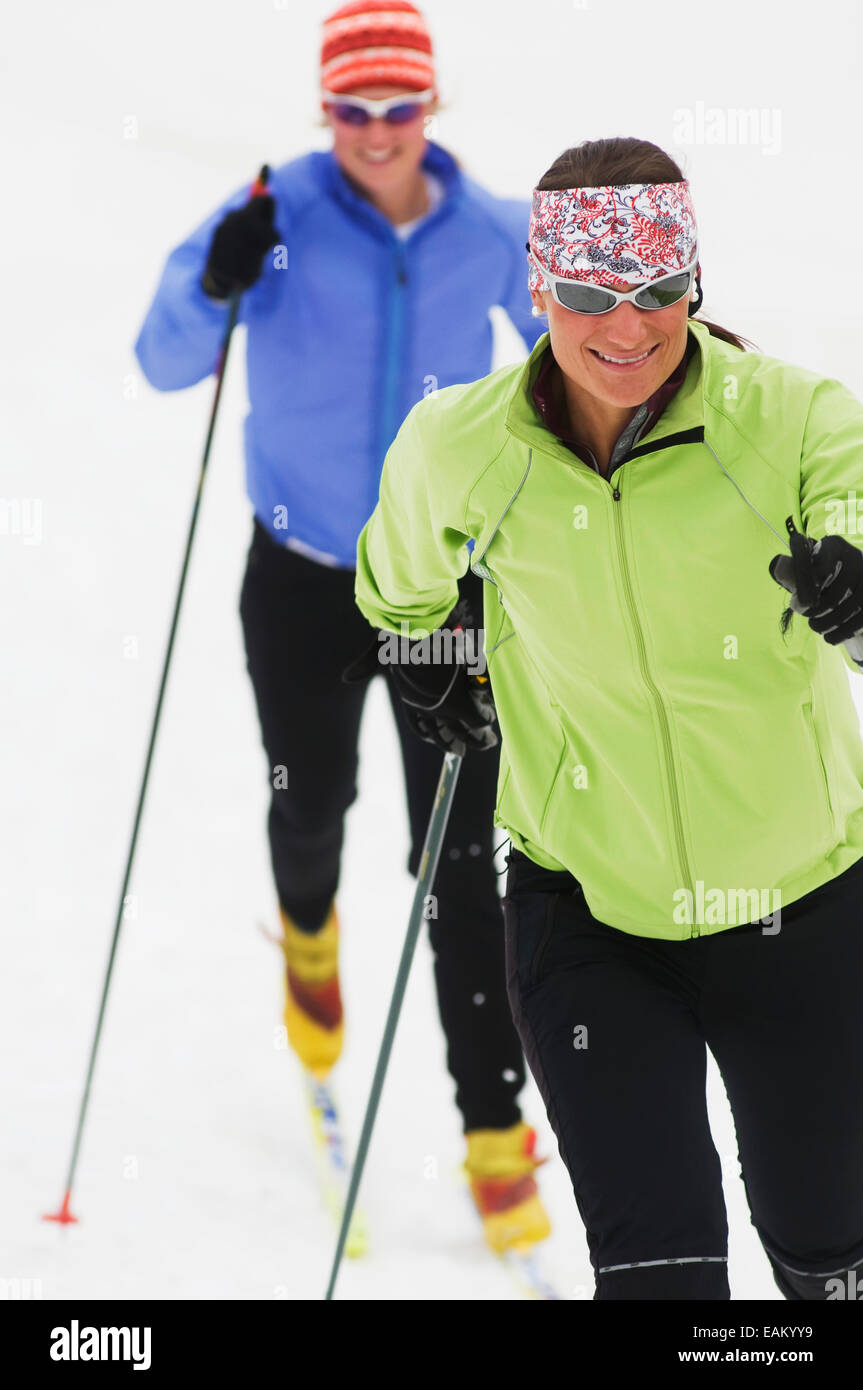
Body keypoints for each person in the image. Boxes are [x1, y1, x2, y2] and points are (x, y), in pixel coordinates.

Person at [355, 134, 863, 1300]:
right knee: (658, 1286)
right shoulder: (461, 446)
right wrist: (427, 652)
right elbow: (395, 585)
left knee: (826, 1264)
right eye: (586, 294)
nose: (623, 328)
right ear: (537, 289)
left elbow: (853, 514)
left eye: (655, 292)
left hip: (801, 901)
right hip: (588, 911)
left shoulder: (791, 421)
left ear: (694, 285)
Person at [134, 0, 552, 1255]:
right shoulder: (275, 216)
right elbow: (162, 359)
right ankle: (307, 951)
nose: (377, 131)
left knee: (461, 862)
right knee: (311, 800)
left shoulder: (492, 229)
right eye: (355, 108)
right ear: (328, 111)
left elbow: (585, 364)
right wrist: (217, 277)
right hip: (304, 573)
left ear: (432, 109)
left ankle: (493, 1128)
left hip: (439, 591)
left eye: (401, 106)